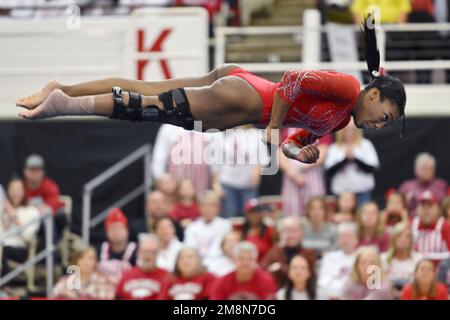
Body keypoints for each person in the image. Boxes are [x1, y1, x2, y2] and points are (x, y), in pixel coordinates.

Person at [16, 14, 406, 165]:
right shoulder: (349, 86)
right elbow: (293, 79)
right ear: (374, 94)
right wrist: (274, 128)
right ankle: (64, 103)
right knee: (146, 106)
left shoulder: (340, 121)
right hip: (242, 98)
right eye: (384, 116)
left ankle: (61, 88)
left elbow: (294, 138)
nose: (379, 124)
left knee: (144, 90)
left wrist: (295, 150)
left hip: (241, 91)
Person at [212, 125, 269, 218]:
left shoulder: (256, 134)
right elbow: (215, 162)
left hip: (248, 185)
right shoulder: (221, 135)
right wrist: (215, 184)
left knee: (250, 218)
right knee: (229, 218)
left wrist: (257, 171)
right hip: (227, 184)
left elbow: (263, 158)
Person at [324, 122, 379, 205]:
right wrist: (345, 159)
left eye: (352, 130)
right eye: (346, 130)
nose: (349, 133)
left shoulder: (366, 145)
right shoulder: (334, 148)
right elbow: (329, 171)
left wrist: (355, 159)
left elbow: (372, 168)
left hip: (362, 192)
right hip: (341, 194)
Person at [280, 129, 331, 217]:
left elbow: (322, 155)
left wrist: (302, 167)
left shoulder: (320, 126)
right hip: (291, 175)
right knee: (291, 214)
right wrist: (294, 174)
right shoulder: (287, 128)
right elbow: (280, 154)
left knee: (315, 210)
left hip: (312, 172)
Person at [260, 217, 316, 288]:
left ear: (301, 232)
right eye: (287, 230)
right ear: (281, 232)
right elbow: (262, 270)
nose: (291, 234)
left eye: (295, 230)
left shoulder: (308, 253)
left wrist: (281, 268)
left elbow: (310, 275)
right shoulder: (275, 251)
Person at [0, 178, 40, 277]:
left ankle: (4, 286)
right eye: (12, 189)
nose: (15, 193)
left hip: (18, 249)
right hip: (2, 245)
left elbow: (28, 237)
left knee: (2, 251)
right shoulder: (3, 210)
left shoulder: (31, 211)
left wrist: (15, 218)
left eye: (18, 189)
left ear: (24, 191)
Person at [210, 241, 277, 300]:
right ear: (234, 260)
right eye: (241, 258)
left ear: (255, 261)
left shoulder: (266, 281)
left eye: (250, 259)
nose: (245, 263)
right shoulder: (222, 282)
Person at [183, 190, 231, 268]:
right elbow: (190, 249)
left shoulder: (225, 225)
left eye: (211, 205)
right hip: (197, 266)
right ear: (199, 208)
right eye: (204, 205)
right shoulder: (191, 227)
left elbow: (221, 250)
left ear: (218, 208)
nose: (207, 209)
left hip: (220, 264)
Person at [115, 234, 168, 300]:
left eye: (152, 252)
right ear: (138, 253)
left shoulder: (166, 276)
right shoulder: (127, 274)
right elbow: (118, 295)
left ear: (158, 254)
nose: (148, 256)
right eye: (145, 251)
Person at [317, 222, 359, 300]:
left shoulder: (364, 257)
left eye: (348, 236)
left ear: (356, 239)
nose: (345, 240)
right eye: (342, 237)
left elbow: (373, 286)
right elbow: (323, 285)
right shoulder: (329, 258)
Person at [381, 222, 422, 298]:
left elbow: (424, 285)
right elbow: (373, 286)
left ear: (411, 240)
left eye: (407, 236)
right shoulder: (382, 259)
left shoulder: (419, 259)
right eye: (399, 235)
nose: (403, 238)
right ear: (393, 238)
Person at [98, 208, 137, 285]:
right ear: (106, 232)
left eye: (119, 228)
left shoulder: (136, 251)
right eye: (112, 229)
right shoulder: (100, 249)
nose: (116, 232)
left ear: (127, 230)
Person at [411, 190, 450, 264]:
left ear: (438, 208)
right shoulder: (412, 225)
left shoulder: (445, 226)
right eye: (423, 205)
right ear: (417, 208)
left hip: (440, 272)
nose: (426, 210)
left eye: (430, 205)